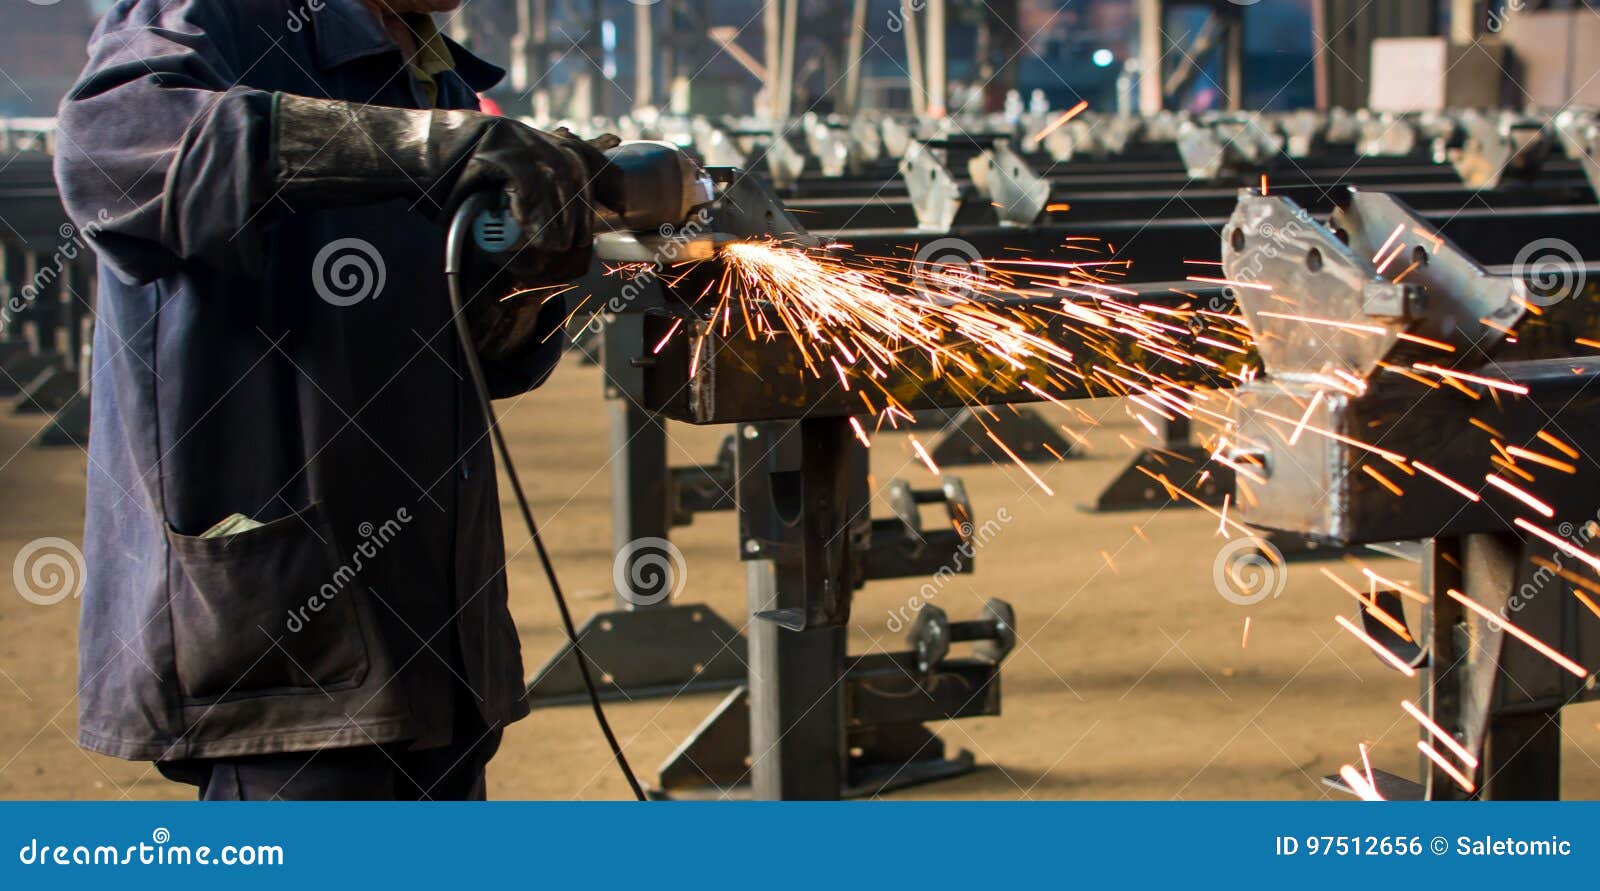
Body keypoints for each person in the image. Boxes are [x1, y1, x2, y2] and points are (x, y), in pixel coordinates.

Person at [53, 0, 613, 800]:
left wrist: (531, 277)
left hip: (439, 637)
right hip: (292, 633)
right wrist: (429, 147)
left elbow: (478, 349)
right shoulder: (219, 15)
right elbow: (106, 148)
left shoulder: (434, 76)